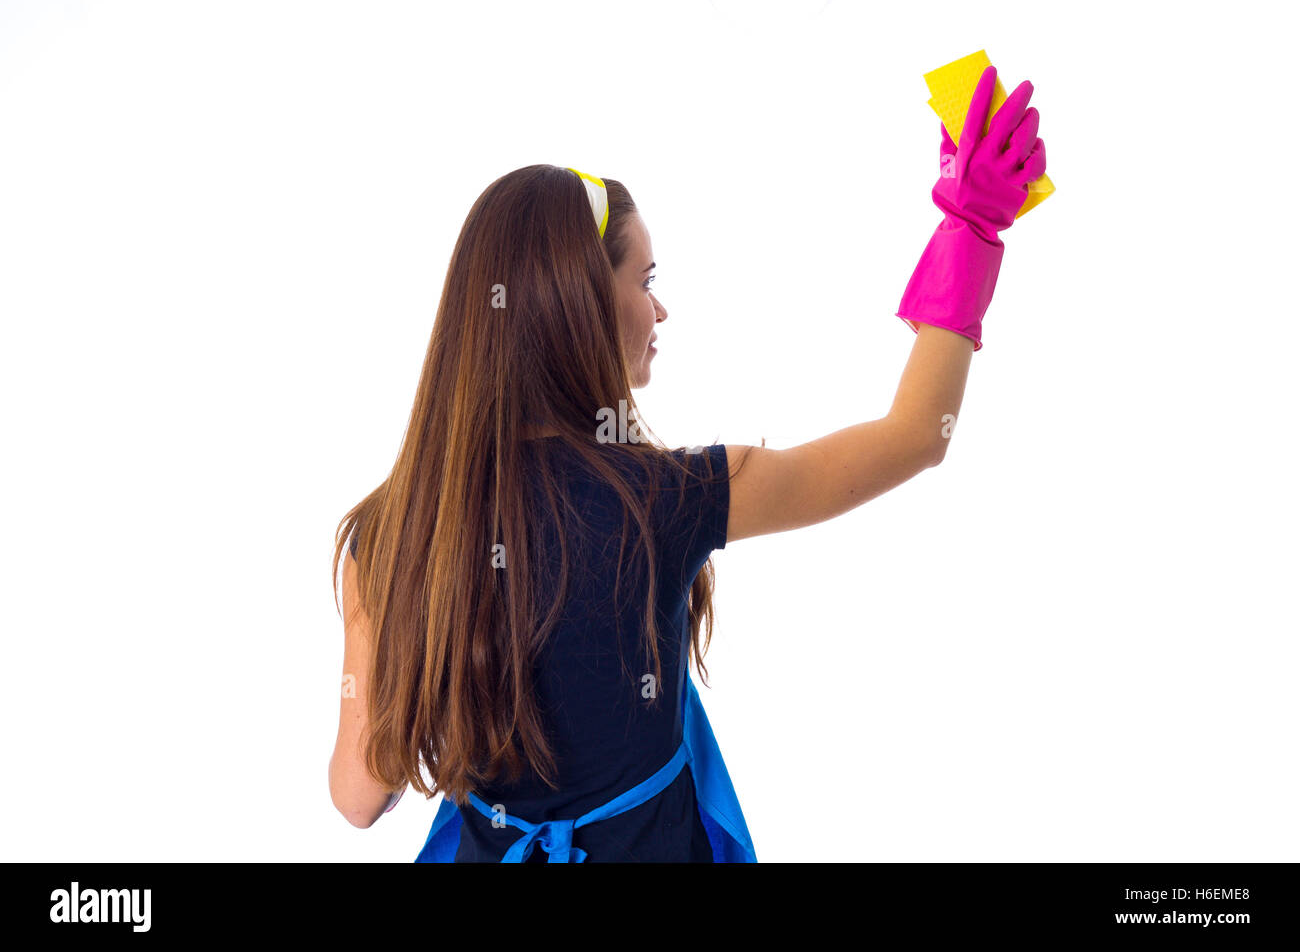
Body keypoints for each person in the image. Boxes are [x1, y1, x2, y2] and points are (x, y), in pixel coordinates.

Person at [327, 66, 1046, 862]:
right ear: (579, 303)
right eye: (646, 281)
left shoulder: (385, 531)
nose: (660, 308)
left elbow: (359, 795)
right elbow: (916, 435)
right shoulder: (667, 498)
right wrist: (972, 228)